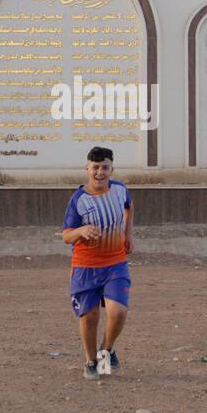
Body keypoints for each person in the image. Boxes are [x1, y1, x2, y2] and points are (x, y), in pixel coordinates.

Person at [61, 146, 134, 381]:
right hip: (85, 266)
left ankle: (107, 349)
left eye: (104, 167)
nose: (100, 172)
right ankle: (91, 360)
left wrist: (128, 235)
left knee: (118, 311)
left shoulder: (120, 190)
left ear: (112, 169)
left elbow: (129, 208)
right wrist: (81, 230)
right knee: (90, 316)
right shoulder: (79, 199)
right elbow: (66, 236)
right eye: (95, 168)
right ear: (87, 169)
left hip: (115, 263)